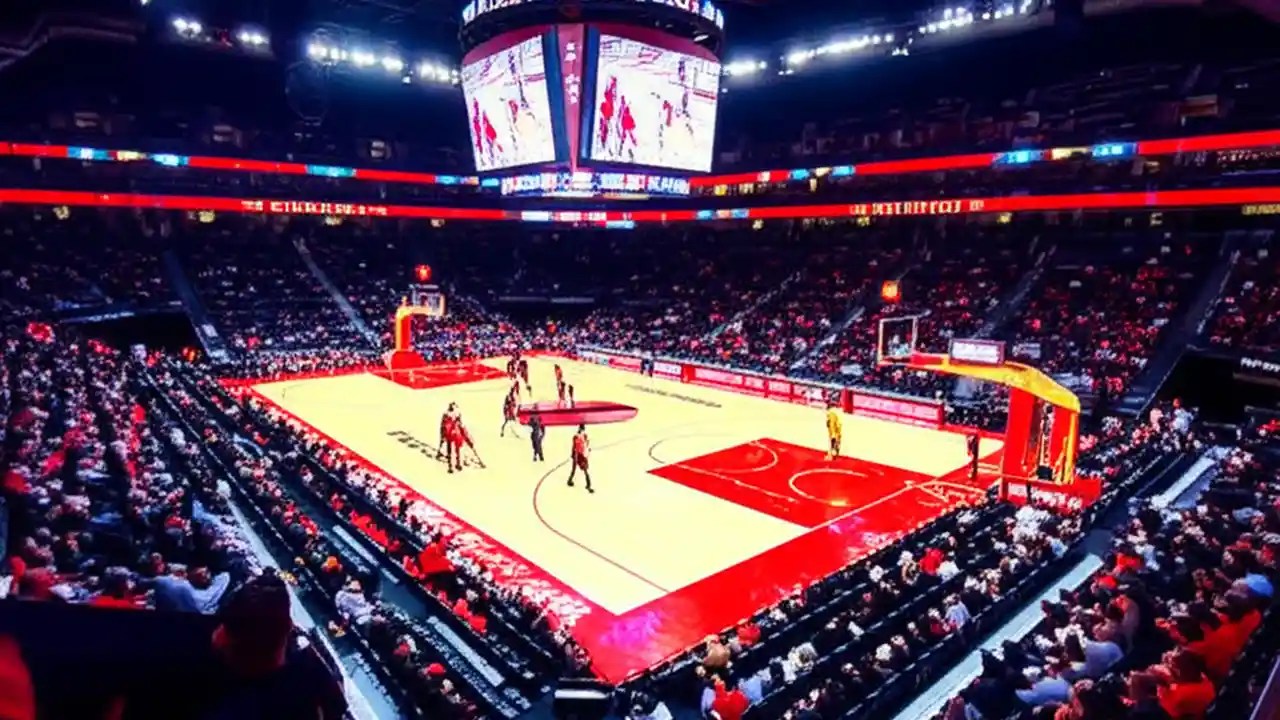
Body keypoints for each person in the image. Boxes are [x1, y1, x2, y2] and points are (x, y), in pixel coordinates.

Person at [567, 424, 593, 493]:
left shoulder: (582, 436)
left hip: (581, 455)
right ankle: (588, 484)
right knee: (578, 469)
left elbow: (586, 444)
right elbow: (575, 447)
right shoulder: (577, 437)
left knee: (583, 470)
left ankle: (588, 484)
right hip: (579, 455)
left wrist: (587, 449)